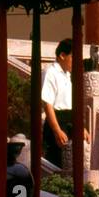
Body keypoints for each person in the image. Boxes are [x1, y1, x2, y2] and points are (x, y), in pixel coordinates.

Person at [41, 39, 73, 167]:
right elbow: (48, 104)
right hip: (57, 121)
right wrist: (57, 130)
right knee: (56, 164)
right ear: (62, 55)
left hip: (69, 121)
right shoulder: (50, 72)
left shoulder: (68, 75)